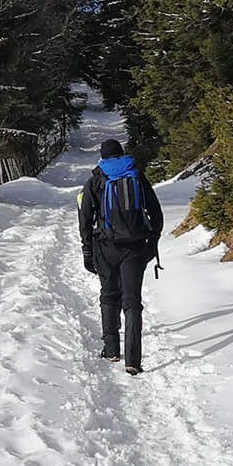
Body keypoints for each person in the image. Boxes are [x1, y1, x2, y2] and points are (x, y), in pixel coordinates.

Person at [77, 138, 163, 375]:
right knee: (132, 301)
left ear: (103, 156)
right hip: (135, 246)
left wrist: (87, 250)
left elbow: (85, 219)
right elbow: (156, 212)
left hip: (105, 246)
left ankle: (112, 349)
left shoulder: (95, 180)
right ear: (122, 154)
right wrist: (151, 242)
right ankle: (133, 360)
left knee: (109, 294)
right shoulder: (136, 176)